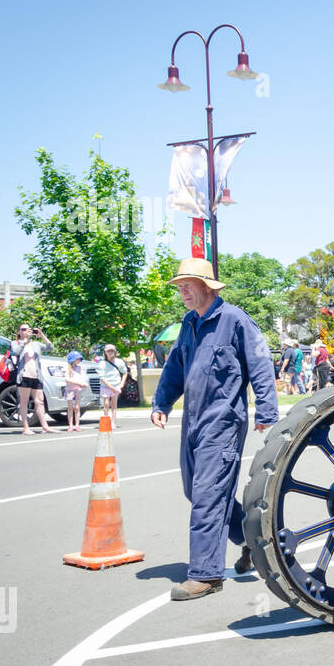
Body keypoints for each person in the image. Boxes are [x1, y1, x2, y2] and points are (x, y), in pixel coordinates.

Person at [150, 257, 278, 601]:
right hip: (192, 421)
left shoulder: (235, 319)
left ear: (207, 286)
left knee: (207, 496)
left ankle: (206, 575)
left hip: (223, 422)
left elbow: (261, 364)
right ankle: (254, 541)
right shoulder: (189, 323)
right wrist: (161, 403)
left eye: (187, 286)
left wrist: (266, 410)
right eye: (179, 287)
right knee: (197, 491)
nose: (182, 292)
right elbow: (175, 368)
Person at [11, 324, 54, 434]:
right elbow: (15, 351)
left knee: (40, 401)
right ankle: (26, 428)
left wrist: (42, 335)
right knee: (24, 402)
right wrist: (24, 340)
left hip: (36, 376)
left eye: (28, 329)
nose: (26, 331)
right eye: (23, 329)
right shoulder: (16, 343)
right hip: (24, 376)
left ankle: (45, 426)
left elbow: (50, 348)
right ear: (19, 332)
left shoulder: (36, 344)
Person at [98, 344, 128, 429]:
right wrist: (111, 387)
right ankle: (106, 420)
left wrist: (122, 383)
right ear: (105, 352)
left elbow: (125, 372)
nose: (110, 352)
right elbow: (102, 378)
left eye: (112, 351)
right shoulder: (102, 363)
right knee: (106, 404)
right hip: (106, 386)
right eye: (108, 351)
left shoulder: (119, 362)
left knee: (114, 404)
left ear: (115, 352)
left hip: (116, 384)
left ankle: (113, 422)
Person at [63, 351, 88, 432]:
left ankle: (77, 425)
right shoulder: (66, 368)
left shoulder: (80, 368)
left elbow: (82, 377)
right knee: (70, 408)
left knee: (77, 407)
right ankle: (70, 425)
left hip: (78, 389)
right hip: (70, 389)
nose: (78, 360)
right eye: (77, 358)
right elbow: (67, 380)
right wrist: (79, 383)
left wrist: (84, 383)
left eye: (79, 358)